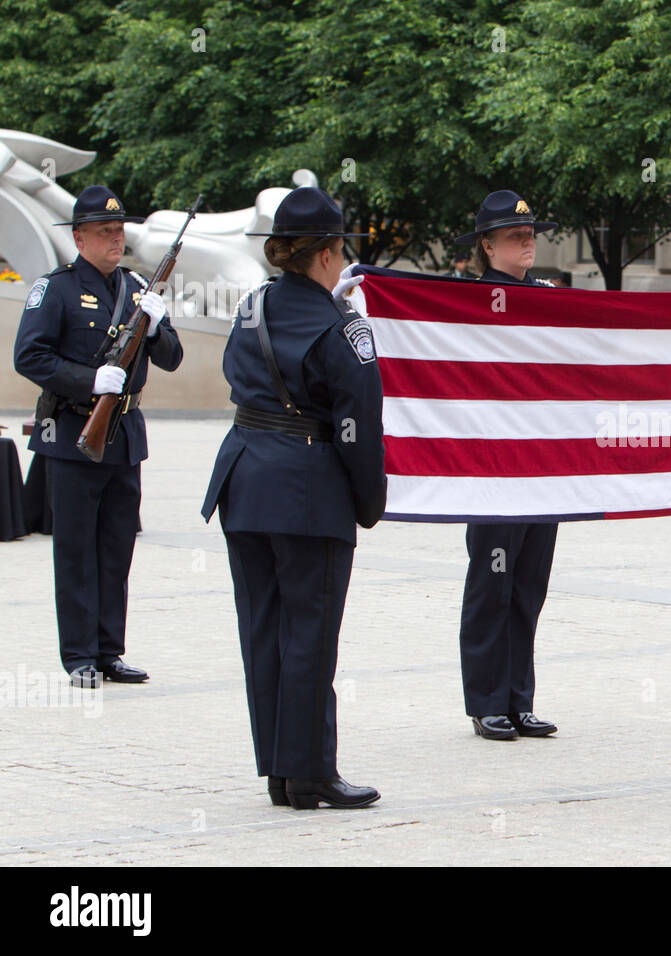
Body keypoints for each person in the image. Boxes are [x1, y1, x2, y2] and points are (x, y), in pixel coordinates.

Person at [201, 187, 387, 808]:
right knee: (309, 634)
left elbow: (236, 376)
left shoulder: (253, 309)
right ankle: (310, 772)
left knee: (264, 630)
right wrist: (369, 502)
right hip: (309, 492)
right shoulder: (345, 329)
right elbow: (359, 426)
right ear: (331, 255)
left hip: (245, 480)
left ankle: (280, 770)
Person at [13, 185, 182, 688]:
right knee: (76, 550)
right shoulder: (56, 289)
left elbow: (171, 357)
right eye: (105, 231)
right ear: (80, 238)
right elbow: (30, 356)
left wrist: (155, 327)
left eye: (120, 230)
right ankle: (80, 655)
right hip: (74, 435)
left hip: (124, 435)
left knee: (115, 548)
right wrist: (88, 381)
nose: (116, 238)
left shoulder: (136, 288)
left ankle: (109, 651)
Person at [452, 189, 560, 741]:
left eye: (531, 234)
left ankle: (519, 698)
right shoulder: (466, 302)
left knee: (528, 586)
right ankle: (486, 700)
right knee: (490, 582)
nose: (527, 241)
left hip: (541, 464)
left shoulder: (548, 298)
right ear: (486, 245)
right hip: (493, 465)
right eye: (515, 235)